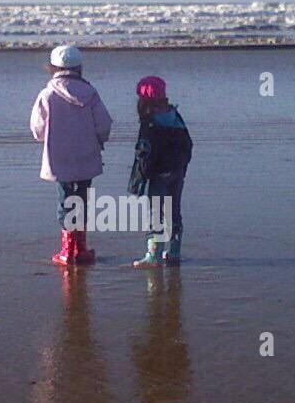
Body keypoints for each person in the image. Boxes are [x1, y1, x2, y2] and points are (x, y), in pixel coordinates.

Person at [30, 44, 113, 266]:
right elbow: (104, 124)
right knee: (82, 198)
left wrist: (43, 137)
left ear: (52, 68)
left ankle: (68, 249)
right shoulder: (91, 93)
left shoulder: (47, 94)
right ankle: (81, 247)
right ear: (79, 68)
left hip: (59, 156)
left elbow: (37, 128)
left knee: (65, 198)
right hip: (86, 154)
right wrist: (99, 139)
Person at [127, 75, 192, 266]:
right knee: (174, 211)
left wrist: (138, 182)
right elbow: (188, 145)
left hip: (158, 174)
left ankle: (154, 254)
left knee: (156, 213)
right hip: (177, 172)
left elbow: (144, 154)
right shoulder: (175, 117)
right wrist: (182, 167)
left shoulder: (150, 124)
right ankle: (174, 251)